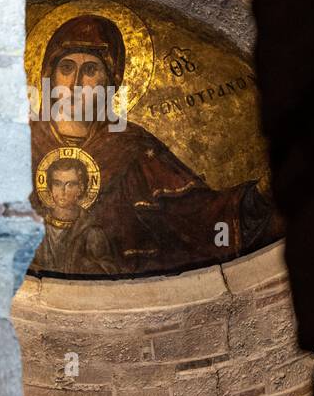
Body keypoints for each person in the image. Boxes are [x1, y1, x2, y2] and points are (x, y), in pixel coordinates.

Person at [29, 14, 278, 275]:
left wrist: (256, 197)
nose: (76, 83)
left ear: (110, 81)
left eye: (90, 70)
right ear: (50, 75)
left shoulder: (132, 145)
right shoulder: (21, 140)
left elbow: (197, 214)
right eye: (66, 68)